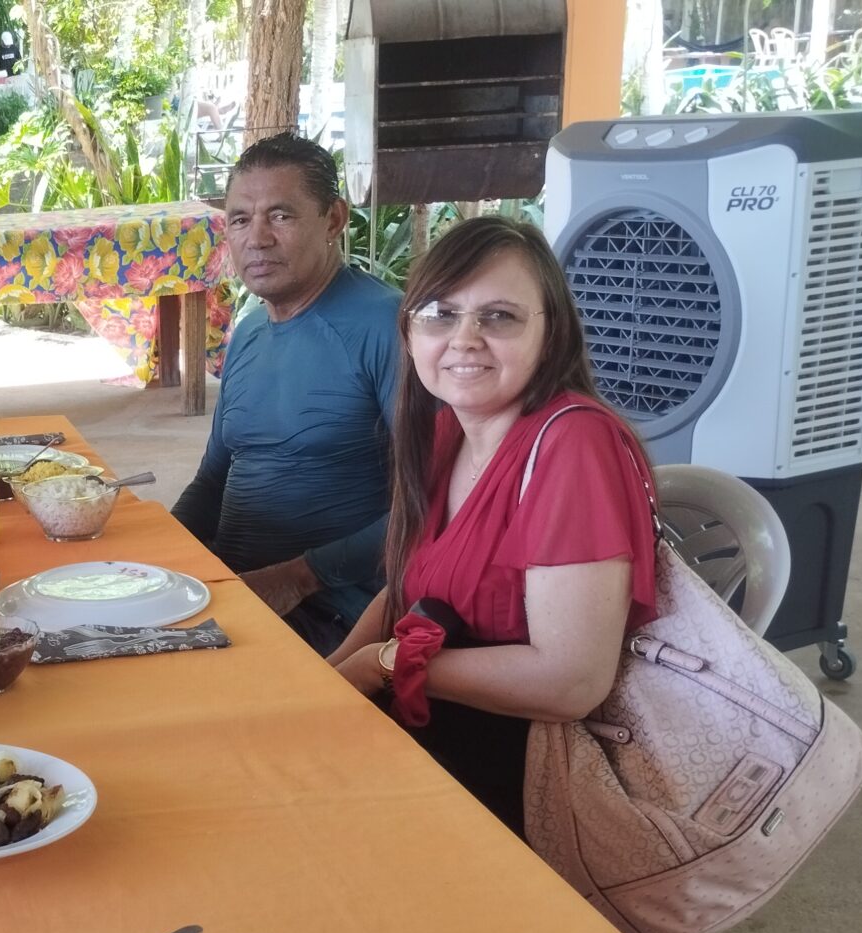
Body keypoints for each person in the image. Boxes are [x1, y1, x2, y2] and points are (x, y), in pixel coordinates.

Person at [328, 216, 659, 838]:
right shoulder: (452, 429)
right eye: (440, 313)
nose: (465, 338)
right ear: (409, 332)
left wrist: (382, 664)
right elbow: (415, 586)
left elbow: (571, 682)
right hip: (435, 732)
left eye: (499, 316)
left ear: (551, 332)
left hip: (518, 776)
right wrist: (328, 676)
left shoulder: (575, 446)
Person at [171, 133, 401, 655]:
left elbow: (434, 504)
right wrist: (162, 553)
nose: (257, 238)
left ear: (335, 218)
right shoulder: (249, 328)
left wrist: (297, 577)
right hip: (235, 595)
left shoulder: (386, 325)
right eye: (239, 219)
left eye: (281, 216)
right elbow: (213, 478)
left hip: (334, 615)